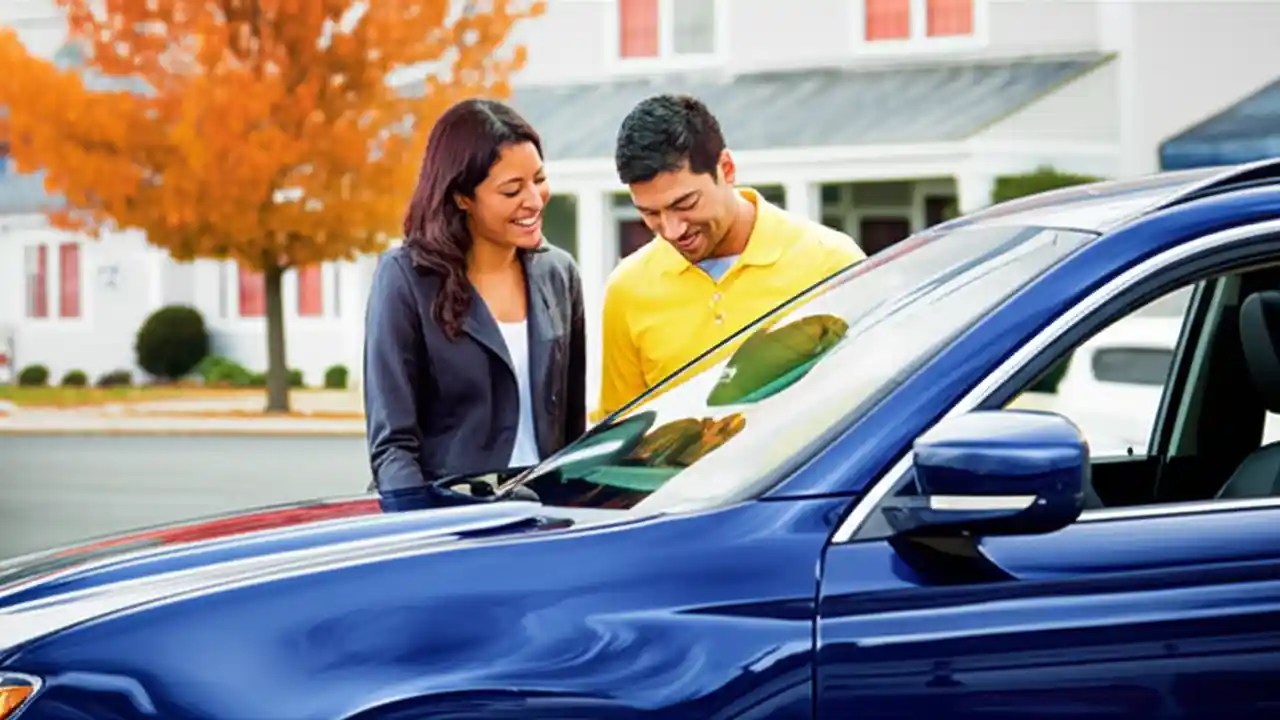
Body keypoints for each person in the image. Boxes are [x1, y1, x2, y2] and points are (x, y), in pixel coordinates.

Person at [364, 98, 586, 512]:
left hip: (546, 523)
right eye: (511, 190)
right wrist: (423, 534)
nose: (535, 200)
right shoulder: (405, 279)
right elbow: (393, 446)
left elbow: (572, 434)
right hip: (449, 528)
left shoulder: (559, 274)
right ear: (463, 196)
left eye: (539, 179)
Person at [594, 93, 866, 420]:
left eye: (685, 204)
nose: (671, 229)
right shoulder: (628, 289)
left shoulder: (832, 263)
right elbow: (622, 429)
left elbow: (870, 397)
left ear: (726, 168)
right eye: (650, 213)